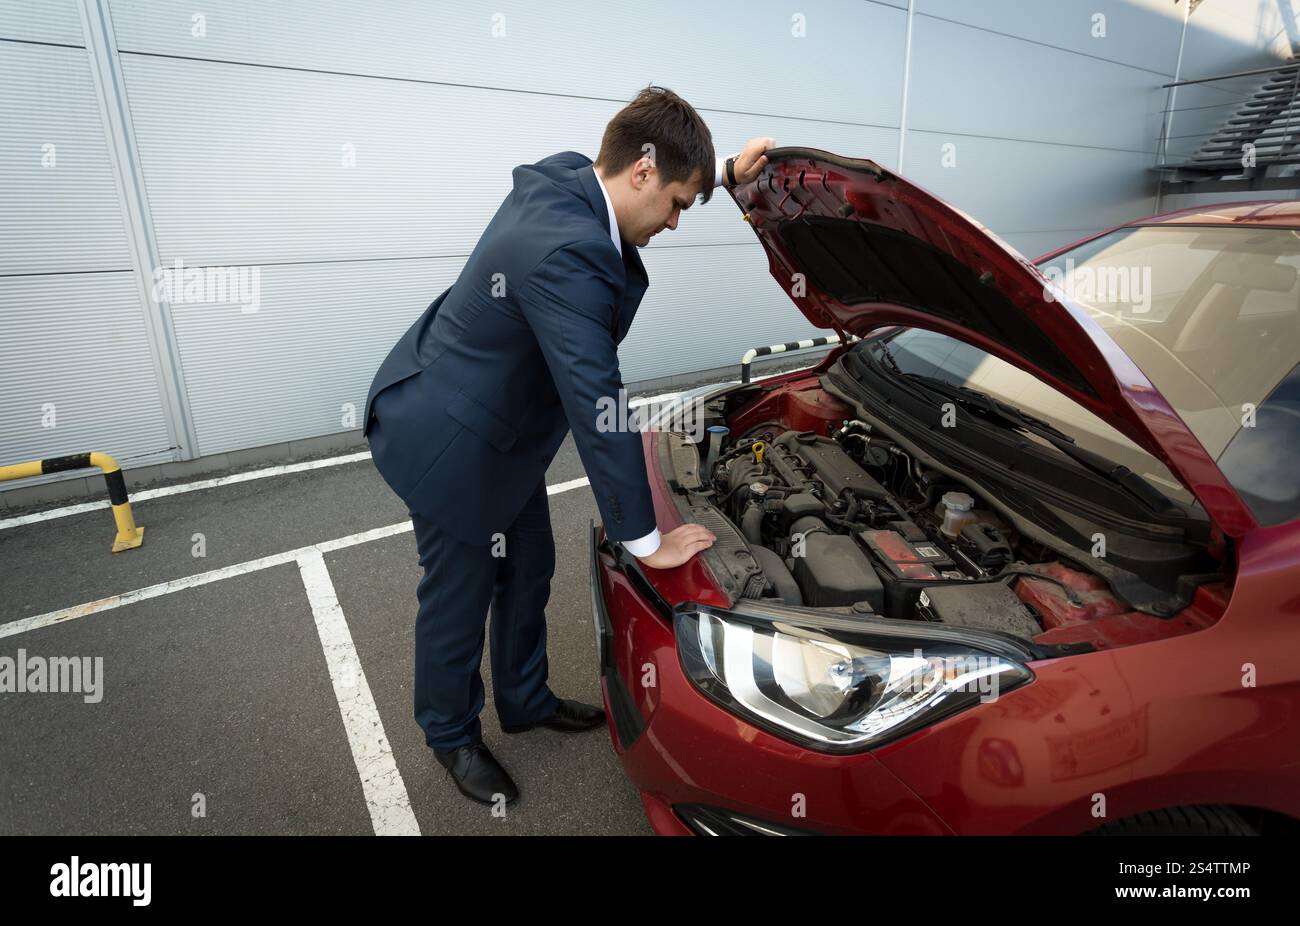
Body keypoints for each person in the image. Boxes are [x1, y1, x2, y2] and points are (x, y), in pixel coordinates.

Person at [363, 84, 775, 805]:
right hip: (450, 443)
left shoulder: (572, 175)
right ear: (642, 174)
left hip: (502, 428)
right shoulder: (568, 252)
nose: (676, 224)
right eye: (678, 203)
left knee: (528, 565)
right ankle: (450, 735)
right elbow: (598, 403)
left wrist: (724, 176)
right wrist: (644, 538)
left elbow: (661, 171)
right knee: (459, 599)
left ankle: (524, 702)